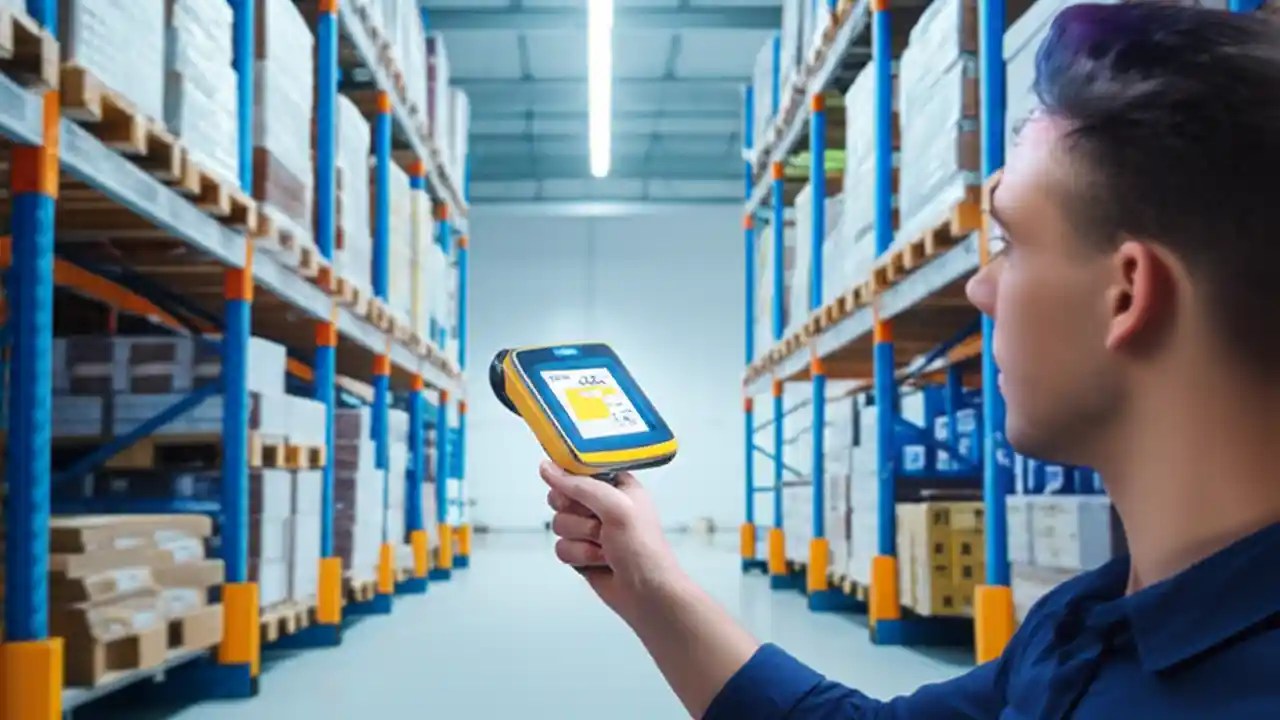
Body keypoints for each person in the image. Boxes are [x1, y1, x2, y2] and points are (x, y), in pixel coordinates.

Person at [540, 4, 1280, 719]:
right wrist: (652, 584)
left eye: (1011, 243)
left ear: (1126, 294)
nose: (979, 287)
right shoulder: (1089, 623)